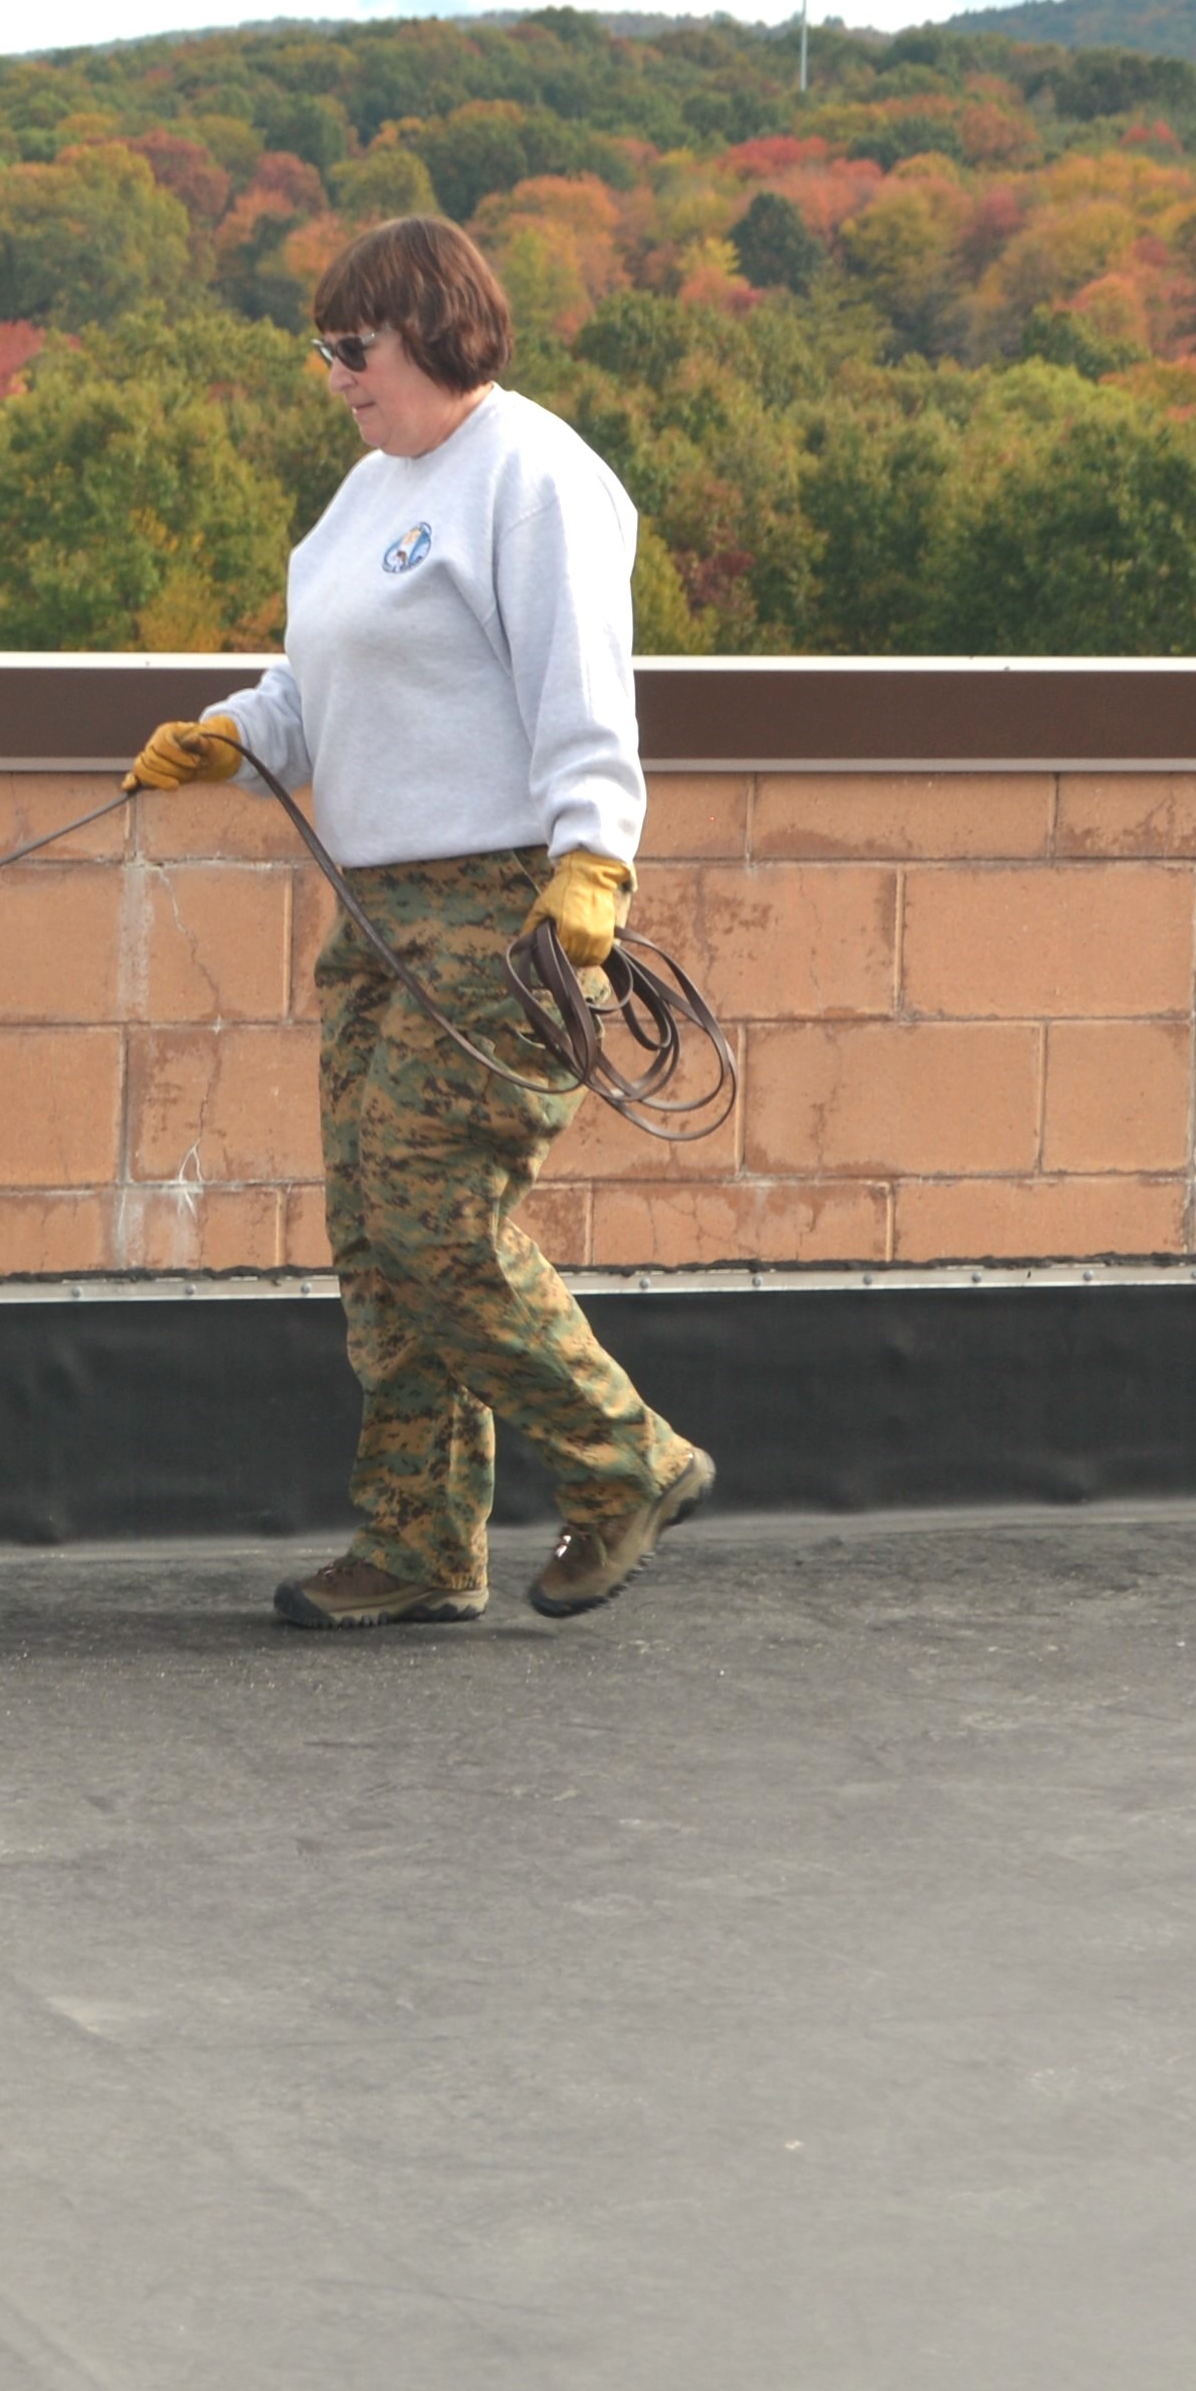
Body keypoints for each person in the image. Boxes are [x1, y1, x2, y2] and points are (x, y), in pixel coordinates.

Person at [128, 213, 713, 1630]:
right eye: (321, 347)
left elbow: (586, 688)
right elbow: (318, 686)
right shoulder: (366, 494)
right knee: (375, 1239)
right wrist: (229, 735)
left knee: (428, 1210)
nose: (332, 371)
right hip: (379, 908)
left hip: (501, 908)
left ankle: (626, 1461)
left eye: (354, 346)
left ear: (439, 332)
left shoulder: (533, 477)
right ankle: (418, 1546)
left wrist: (595, 864)